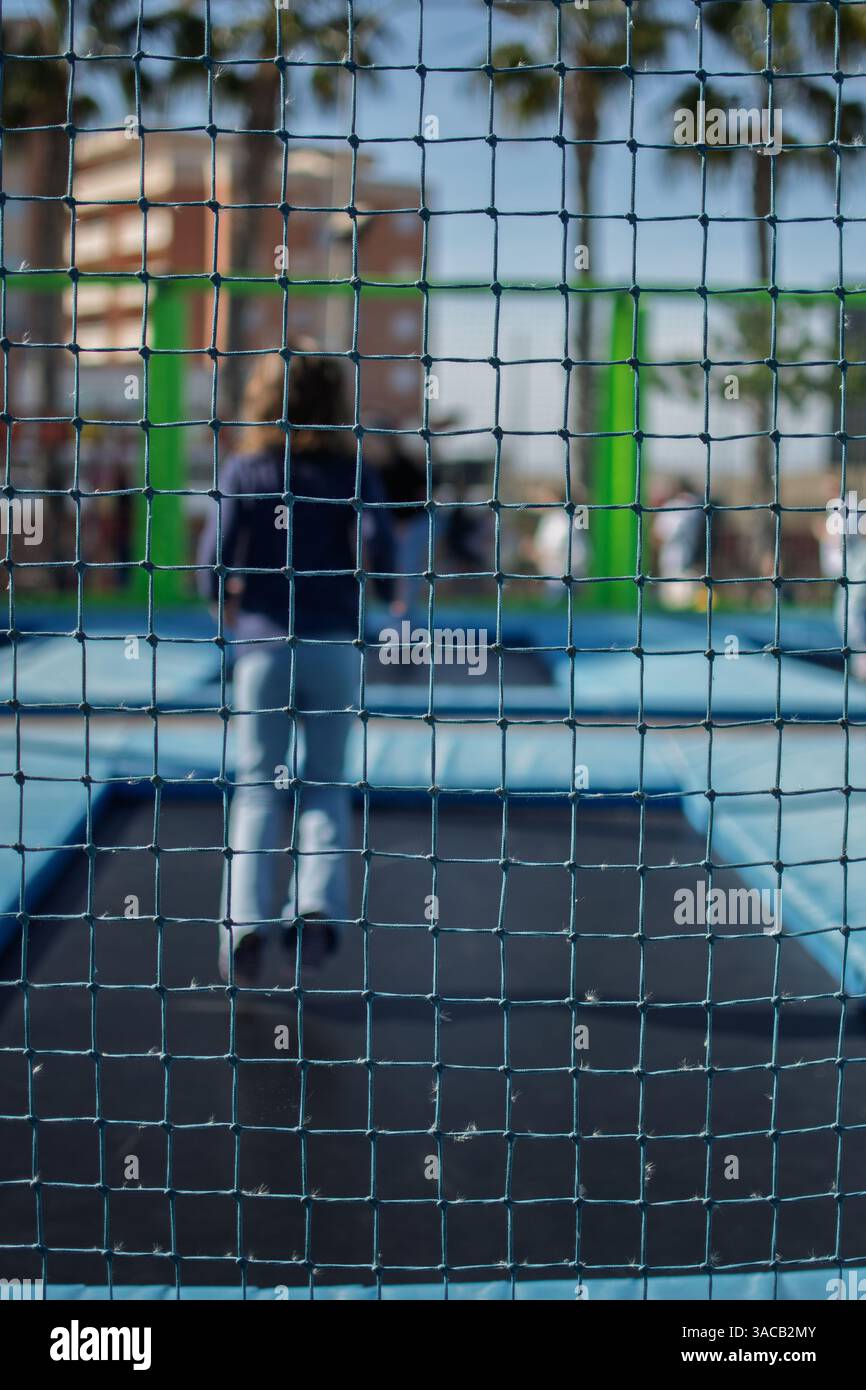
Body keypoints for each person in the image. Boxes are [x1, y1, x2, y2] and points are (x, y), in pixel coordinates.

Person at [197, 349, 395, 985]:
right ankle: (313, 906)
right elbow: (377, 545)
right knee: (326, 784)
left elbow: (213, 561)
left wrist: (223, 605)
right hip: (334, 645)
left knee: (257, 787)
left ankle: (246, 923)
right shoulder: (351, 470)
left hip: (263, 649)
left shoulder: (246, 469)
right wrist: (384, 590)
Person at [652, 478, 704, 609]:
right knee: (675, 600)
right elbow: (659, 534)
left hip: (680, 560)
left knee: (677, 600)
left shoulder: (680, 506)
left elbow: (660, 533)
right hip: (676, 559)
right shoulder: (695, 507)